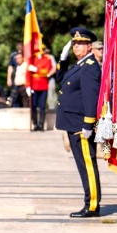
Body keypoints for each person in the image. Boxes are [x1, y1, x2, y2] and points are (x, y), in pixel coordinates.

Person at [56, 27, 102, 217]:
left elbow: (91, 99)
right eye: (74, 44)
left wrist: (88, 125)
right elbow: (60, 78)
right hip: (72, 123)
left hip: (79, 125)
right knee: (82, 164)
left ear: (89, 46)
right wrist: (63, 58)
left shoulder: (90, 67)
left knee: (87, 165)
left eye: (80, 44)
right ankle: (90, 201)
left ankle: (91, 204)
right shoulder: (79, 65)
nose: (76, 47)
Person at [26, 47, 54, 131]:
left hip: (43, 85)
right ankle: (35, 124)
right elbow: (27, 73)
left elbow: (46, 71)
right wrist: (27, 86)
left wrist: (36, 69)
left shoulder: (47, 59)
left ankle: (41, 124)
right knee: (33, 106)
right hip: (33, 86)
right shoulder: (31, 59)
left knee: (42, 106)